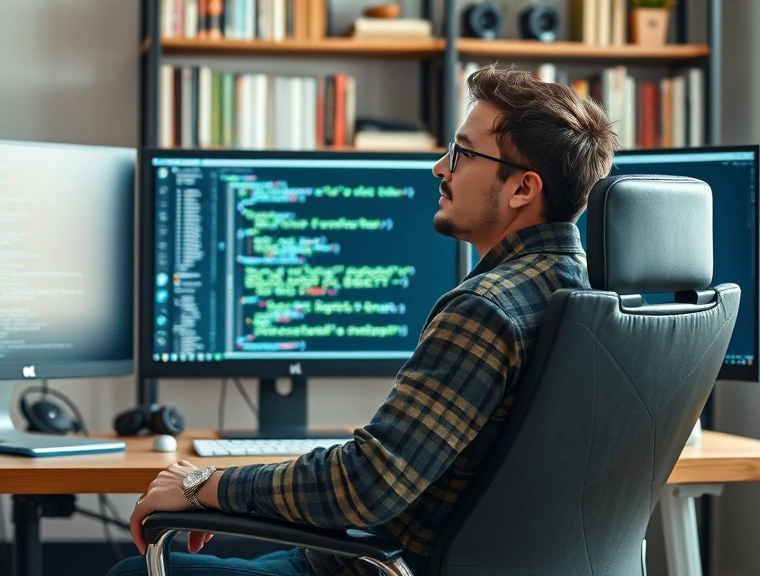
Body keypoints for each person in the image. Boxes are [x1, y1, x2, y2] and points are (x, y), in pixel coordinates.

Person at [109, 64, 620, 576]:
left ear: (522, 189)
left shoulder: (488, 309)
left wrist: (203, 485)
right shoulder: (588, 297)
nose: (440, 167)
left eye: (462, 153)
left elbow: (366, 485)